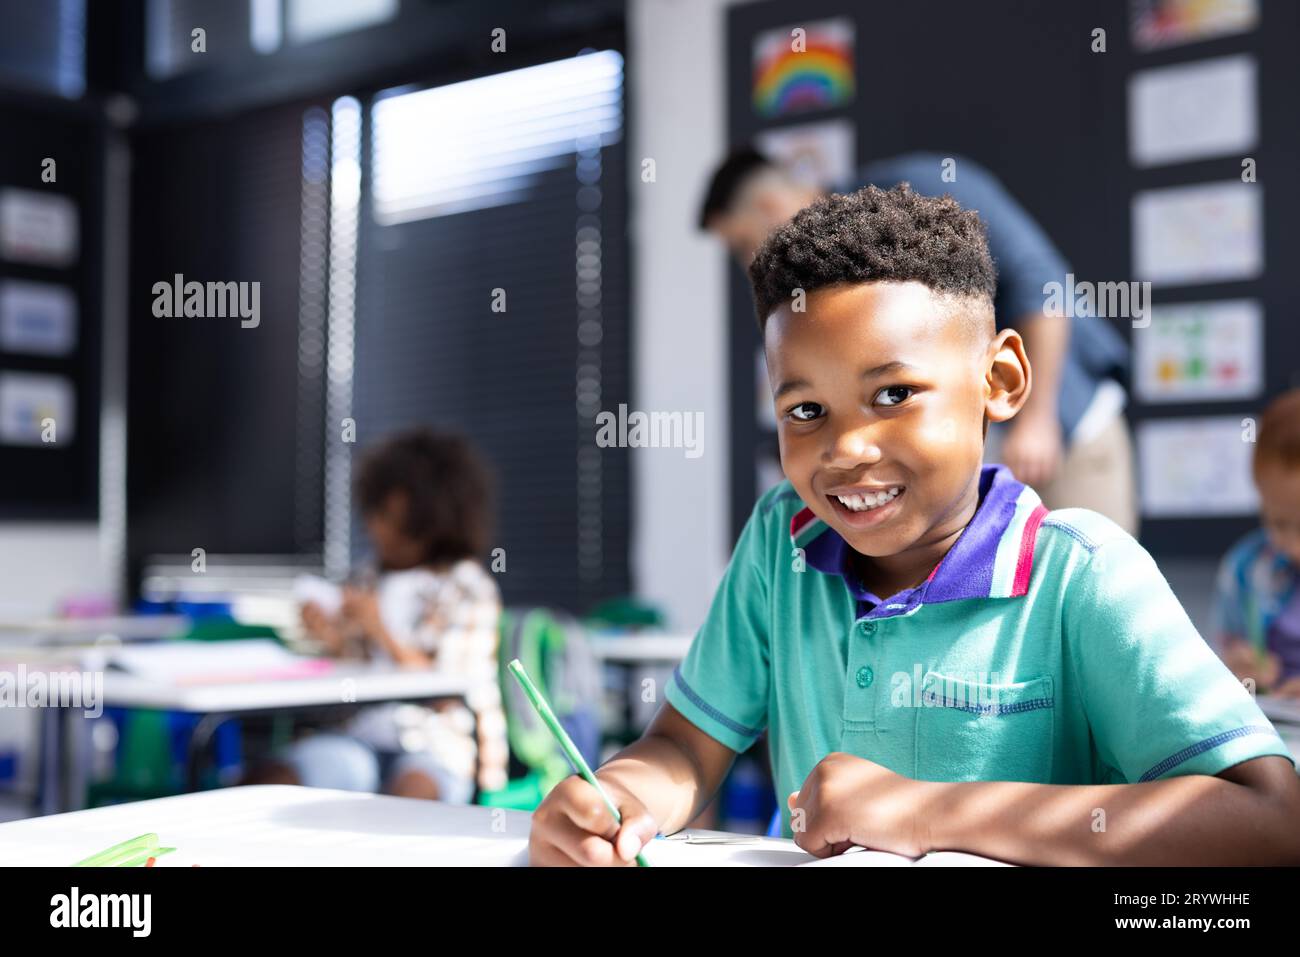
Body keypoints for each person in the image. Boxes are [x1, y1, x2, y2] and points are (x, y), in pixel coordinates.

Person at [528, 185, 1300, 866]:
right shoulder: (780, 543)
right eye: (806, 410)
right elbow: (682, 748)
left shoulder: (1082, 575)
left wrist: (926, 811)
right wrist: (621, 798)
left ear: (999, 382)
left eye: (893, 393)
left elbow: (1270, 819)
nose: (846, 448)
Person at [699, 147, 1136, 533]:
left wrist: (1038, 419)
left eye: (741, 244)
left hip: (1064, 435)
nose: (747, 263)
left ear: (769, 205)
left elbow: (1042, 285)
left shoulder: (923, 186)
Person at [248, 428, 509, 801]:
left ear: (432, 522)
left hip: (434, 744)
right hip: (357, 737)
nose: (377, 528)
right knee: (274, 779)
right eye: (376, 513)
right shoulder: (367, 576)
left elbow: (450, 690)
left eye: (393, 518)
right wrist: (328, 636)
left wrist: (381, 629)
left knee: (411, 799)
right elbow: (351, 670)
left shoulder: (468, 586)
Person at [1213, 389, 1300, 697]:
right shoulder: (1246, 568)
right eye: (1278, 523)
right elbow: (1222, 657)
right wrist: (1238, 668)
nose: (1293, 546)